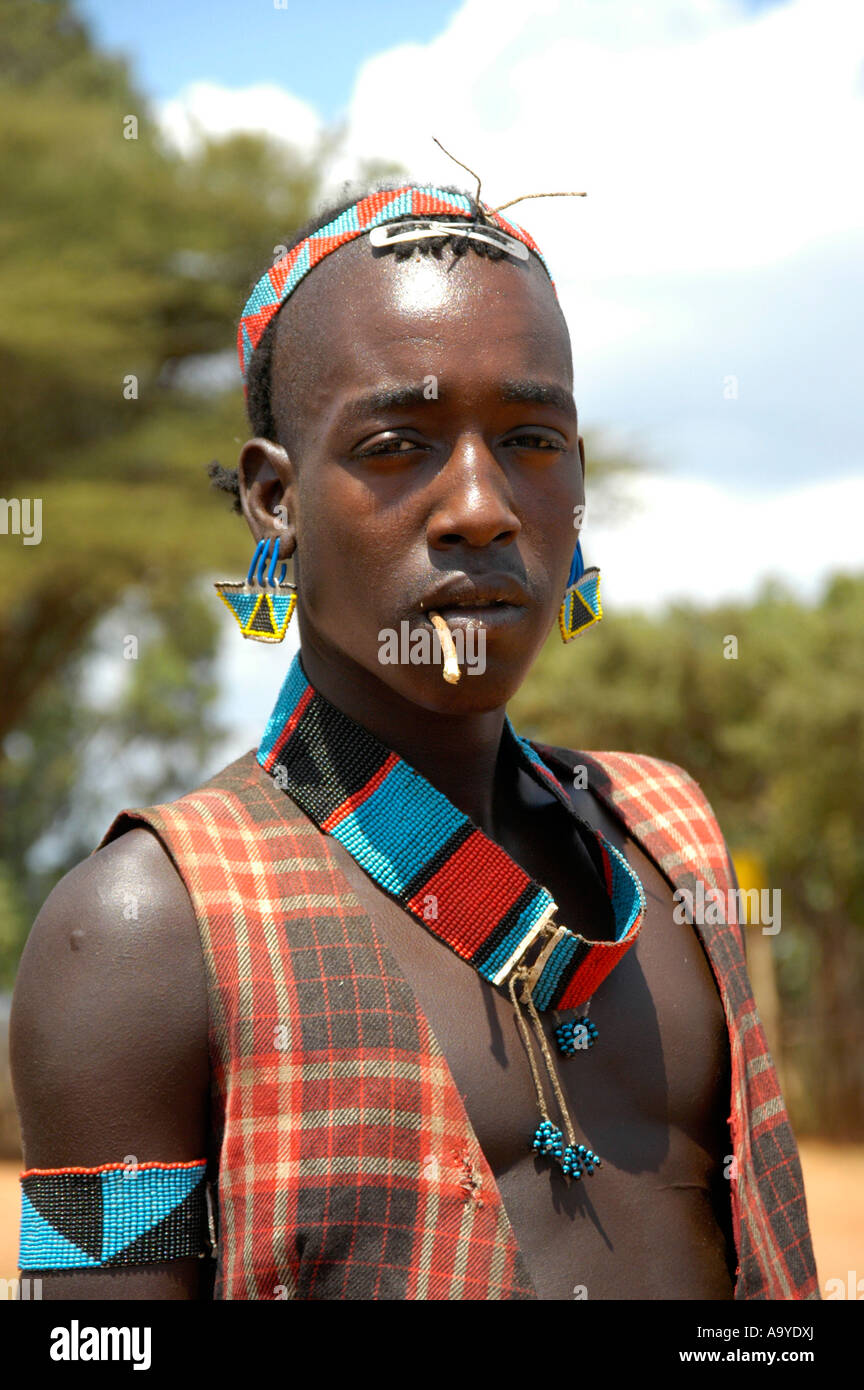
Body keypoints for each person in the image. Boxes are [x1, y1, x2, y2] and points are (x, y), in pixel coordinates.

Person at [11, 183, 818, 1301]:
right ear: (273, 500)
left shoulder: (670, 841)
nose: (482, 506)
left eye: (533, 440)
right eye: (400, 444)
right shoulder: (149, 929)